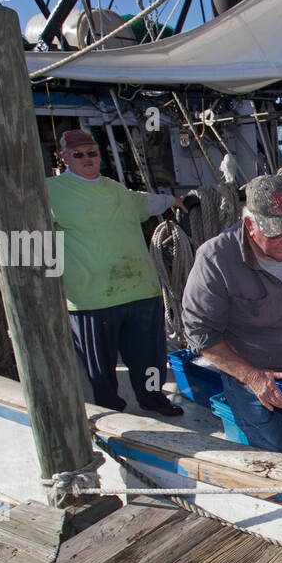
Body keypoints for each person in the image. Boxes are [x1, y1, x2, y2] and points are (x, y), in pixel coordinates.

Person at [181, 173, 282, 452]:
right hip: (251, 377)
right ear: (249, 224)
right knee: (271, 452)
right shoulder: (215, 259)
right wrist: (252, 377)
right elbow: (199, 332)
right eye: (275, 233)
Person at [46, 128, 185, 416]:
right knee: (100, 367)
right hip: (90, 300)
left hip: (141, 292)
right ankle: (110, 412)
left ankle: (154, 399)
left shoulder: (116, 189)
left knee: (150, 358)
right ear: (65, 158)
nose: (87, 158)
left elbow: (147, 202)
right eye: (78, 154)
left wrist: (176, 200)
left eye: (92, 152)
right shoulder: (48, 192)